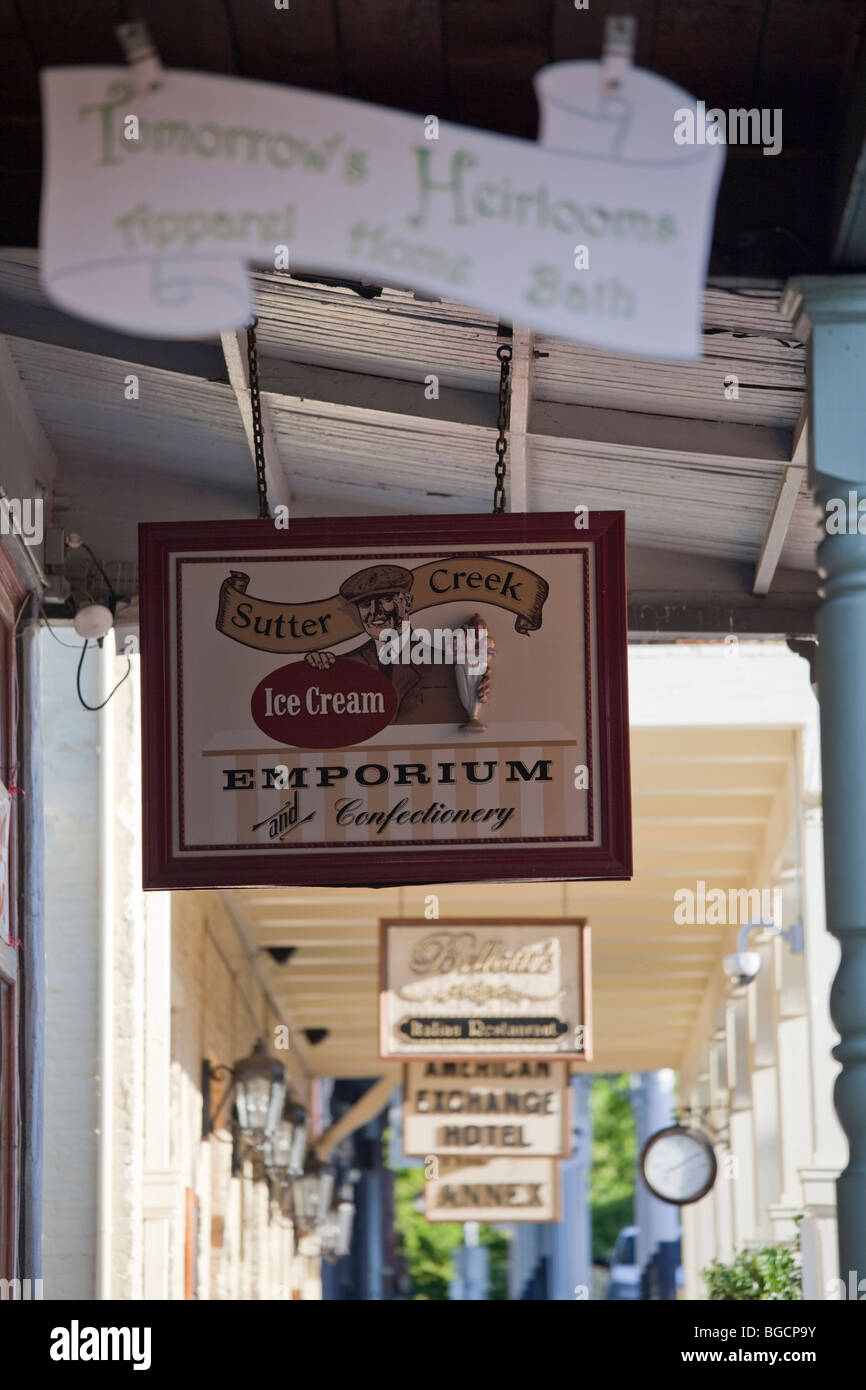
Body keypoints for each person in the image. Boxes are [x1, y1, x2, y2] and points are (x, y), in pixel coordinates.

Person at [304, 563, 490, 726]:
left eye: (385, 600)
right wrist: (313, 674)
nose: (375, 612)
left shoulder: (445, 664)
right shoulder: (343, 667)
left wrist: (477, 682)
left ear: (406, 603)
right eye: (365, 604)